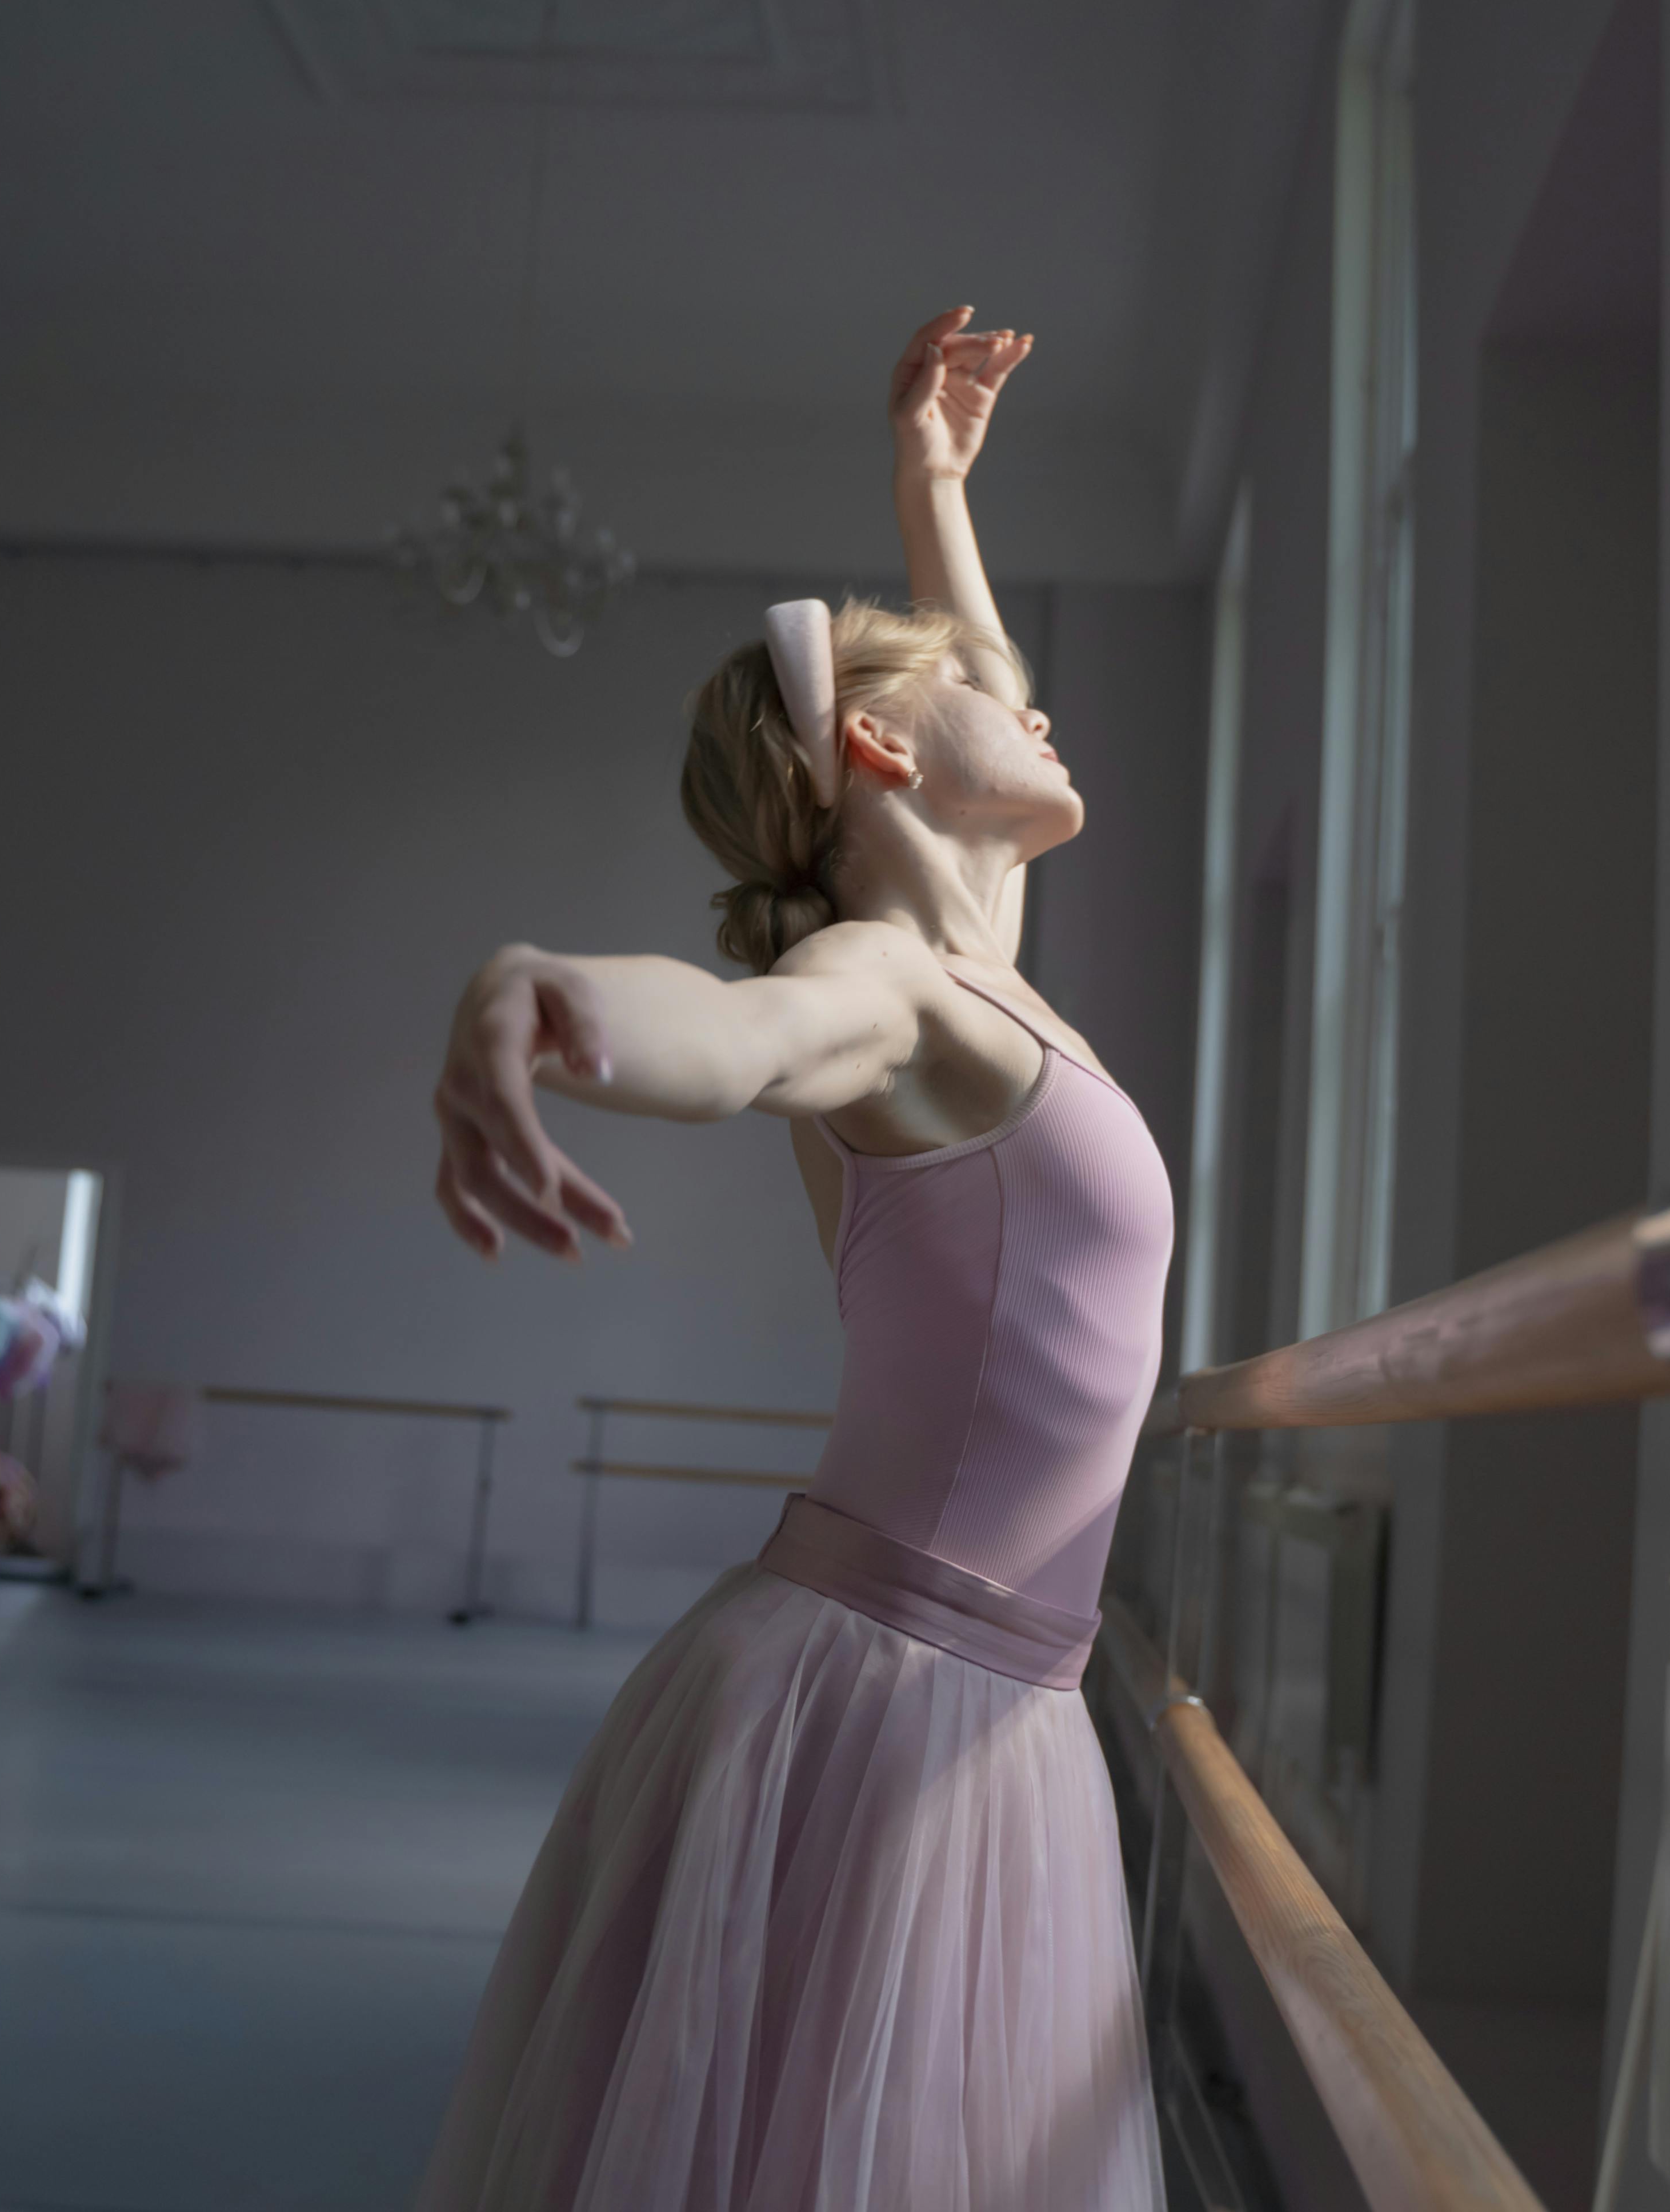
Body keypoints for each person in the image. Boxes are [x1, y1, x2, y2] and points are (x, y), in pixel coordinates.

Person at [414, 309, 1171, 2210]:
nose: (1045, 702)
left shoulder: (989, 965)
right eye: (1001, 696)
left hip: (990, 1703)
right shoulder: (891, 990)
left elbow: (973, 670)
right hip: (893, 1696)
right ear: (881, 743)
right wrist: (553, 993)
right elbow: (733, 1035)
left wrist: (934, 474)